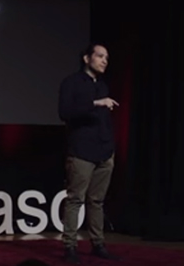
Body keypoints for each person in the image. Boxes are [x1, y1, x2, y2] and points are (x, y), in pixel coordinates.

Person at [58, 43, 120, 263]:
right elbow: (64, 112)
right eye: (100, 56)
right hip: (82, 151)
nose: (104, 61)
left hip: (104, 151)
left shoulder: (102, 85)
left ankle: (98, 244)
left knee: (97, 201)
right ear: (87, 58)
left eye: (107, 57)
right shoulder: (71, 83)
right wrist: (95, 103)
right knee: (75, 200)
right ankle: (70, 247)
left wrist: (111, 147)